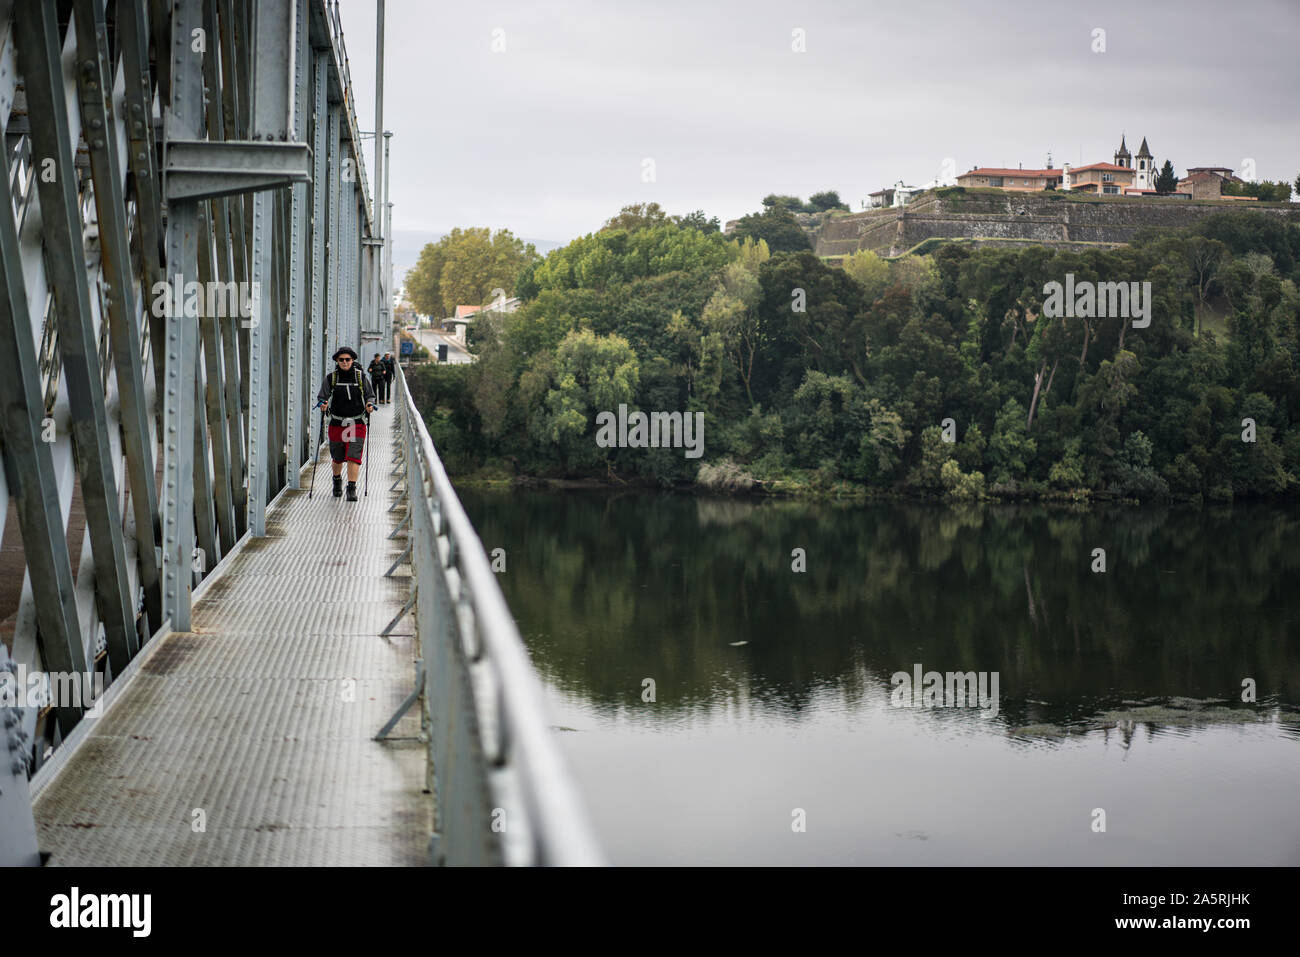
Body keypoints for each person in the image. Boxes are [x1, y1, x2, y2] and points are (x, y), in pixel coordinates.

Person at [315, 347, 376, 501]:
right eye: (341, 359)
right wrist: (323, 403)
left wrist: (369, 404)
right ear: (337, 361)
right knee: (337, 456)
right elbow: (322, 396)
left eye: (347, 359)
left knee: (353, 456)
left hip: (356, 422)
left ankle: (351, 488)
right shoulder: (331, 378)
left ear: (352, 360)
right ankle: (336, 480)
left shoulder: (361, 377)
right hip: (337, 422)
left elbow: (370, 395)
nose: (344, 362)